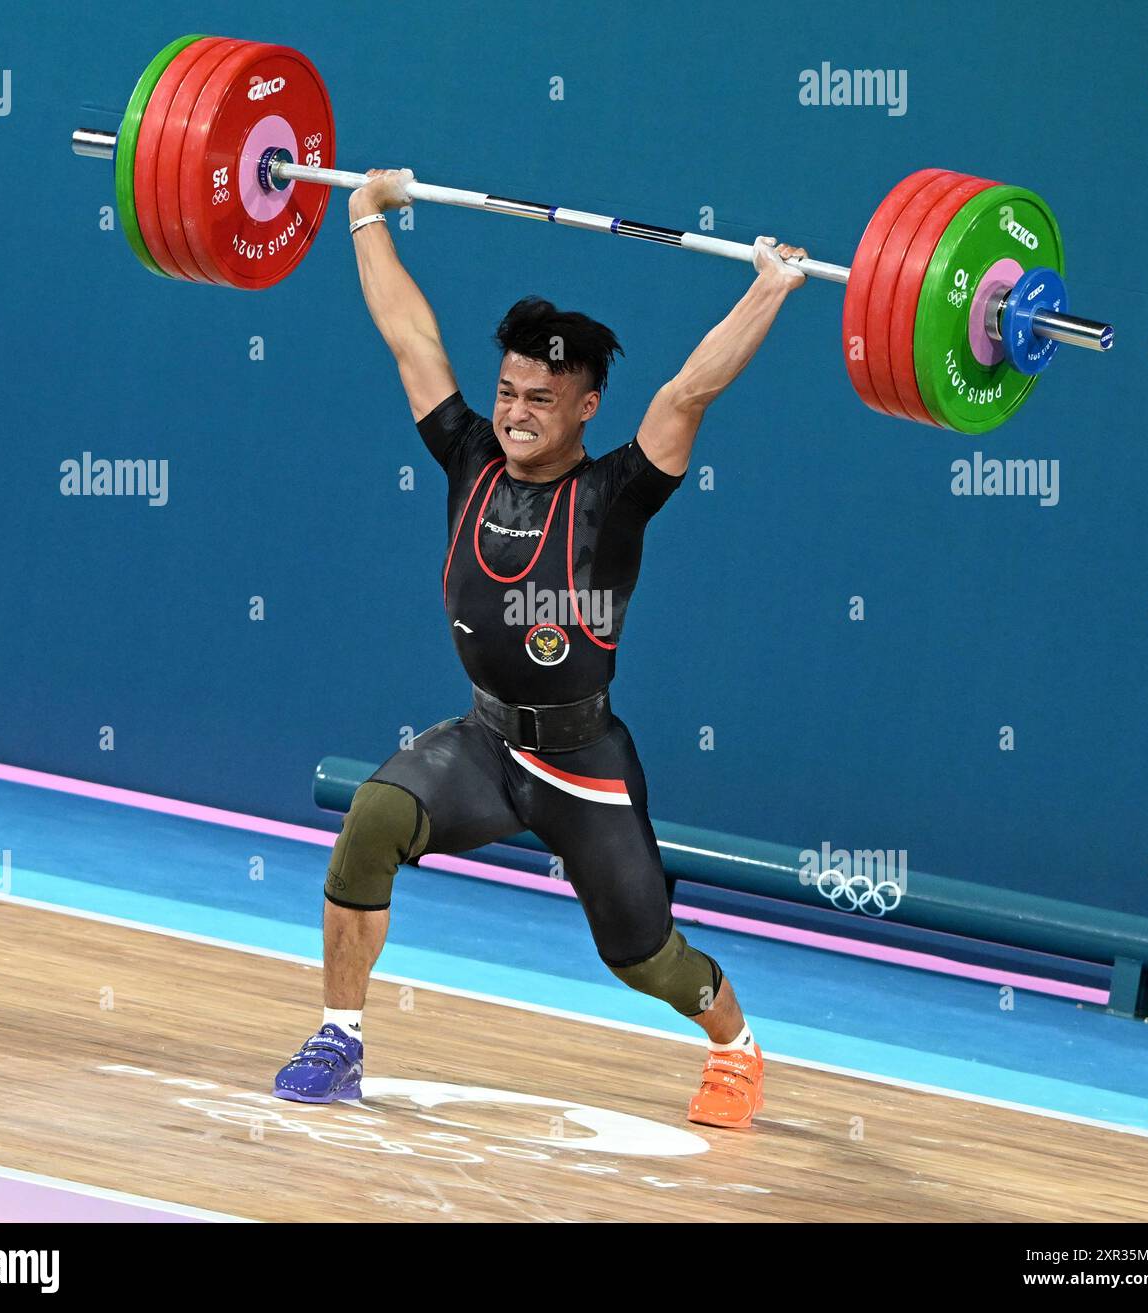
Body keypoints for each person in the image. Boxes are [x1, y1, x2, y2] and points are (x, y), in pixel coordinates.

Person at [274, 168, 806, 1129]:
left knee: (644, 956)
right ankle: (340, 1038)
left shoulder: (617, 495)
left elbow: (691, 389)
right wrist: (363, 213)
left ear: (589, 405)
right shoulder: (469, 455)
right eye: (508, 390)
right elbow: (408, 335)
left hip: (582, 763)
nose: (516, 411)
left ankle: (736, 1046)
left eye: (543, 397)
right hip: (483, 746)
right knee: (374, 816)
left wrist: (767, 285)